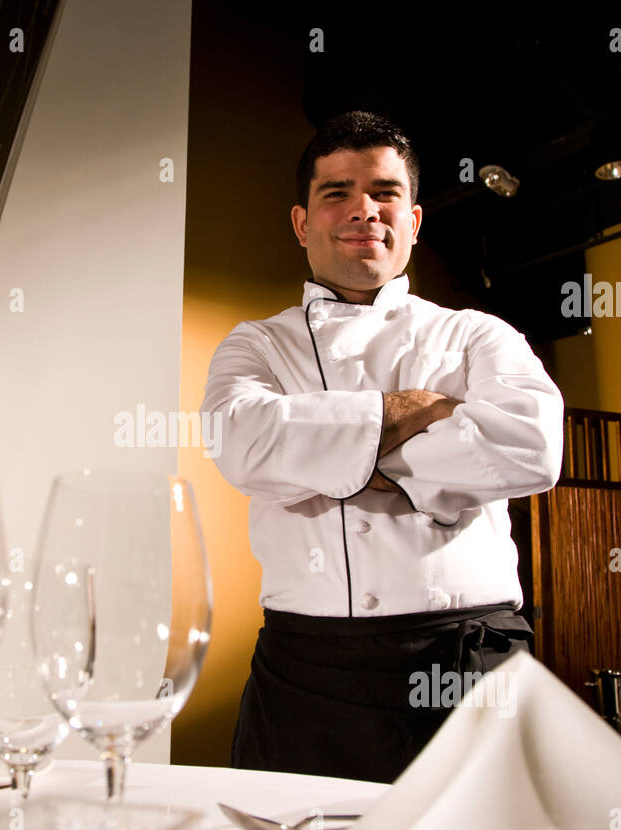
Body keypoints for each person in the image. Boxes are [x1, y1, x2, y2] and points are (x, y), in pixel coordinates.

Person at [201, 111, 564, 784]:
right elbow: (241, 444)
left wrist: (330, 456)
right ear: (302, 223)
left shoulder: (479, 334)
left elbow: (533, 450)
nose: (363, 209)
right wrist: (423, 411)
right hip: (305, 670)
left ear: (415, 220)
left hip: (464, 659)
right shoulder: (255, 344)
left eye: (384, 192)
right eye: (335, 192)